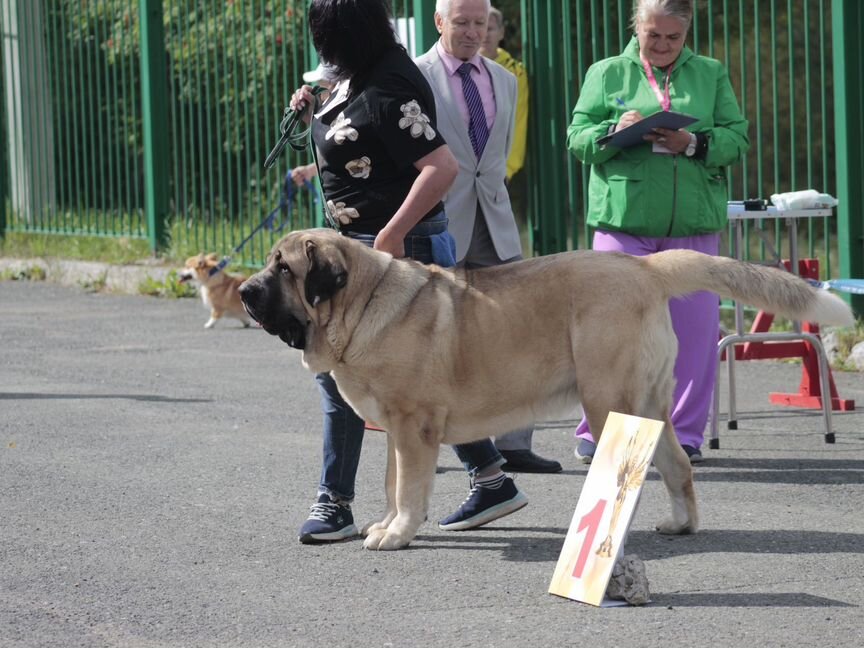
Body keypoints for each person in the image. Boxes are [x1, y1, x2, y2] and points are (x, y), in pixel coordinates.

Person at [289, 0, 528, 544]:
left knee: (344, 371)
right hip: (358, 250)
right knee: (411, 380)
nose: (323, 53)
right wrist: (314, 117)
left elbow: (440, 168)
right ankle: (490, 478)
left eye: (326, 40)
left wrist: (391, 236)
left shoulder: (389, 86)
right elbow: (356, 147)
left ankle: (336, 501)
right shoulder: (360, 75)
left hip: (395, 250)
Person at [565, 0, 749, 465]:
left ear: (687, 33)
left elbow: (737, 136)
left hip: (692, 224)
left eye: (674, 38)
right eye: (653, 36)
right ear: (636, 28)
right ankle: (601, 430)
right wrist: (613, 130)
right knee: (611, 335)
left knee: (693, 335)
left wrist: (694, 143)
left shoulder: (710, 73)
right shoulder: (606, 72)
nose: (663, 46)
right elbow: (578, 137)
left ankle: (683, 435)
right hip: (622, 225)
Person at [415, 0, 563, 486]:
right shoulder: (416, 76)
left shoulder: (506, 79)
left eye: (481, 23)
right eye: (462, 23)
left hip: (496, 219)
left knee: (518, 332)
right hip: (442, 219)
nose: (473, 32)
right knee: (437, 336)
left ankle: (516, 445)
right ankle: (430, 435)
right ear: (439, 22)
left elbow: (494, 157)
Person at [480, 6, 528, 181]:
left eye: (490, 28)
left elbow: (518, 120)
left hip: (499, 170)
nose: (484, 34)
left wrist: (508, 168)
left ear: (501, 32)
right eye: (480, 25)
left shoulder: (516, 72)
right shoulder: (459, 67)